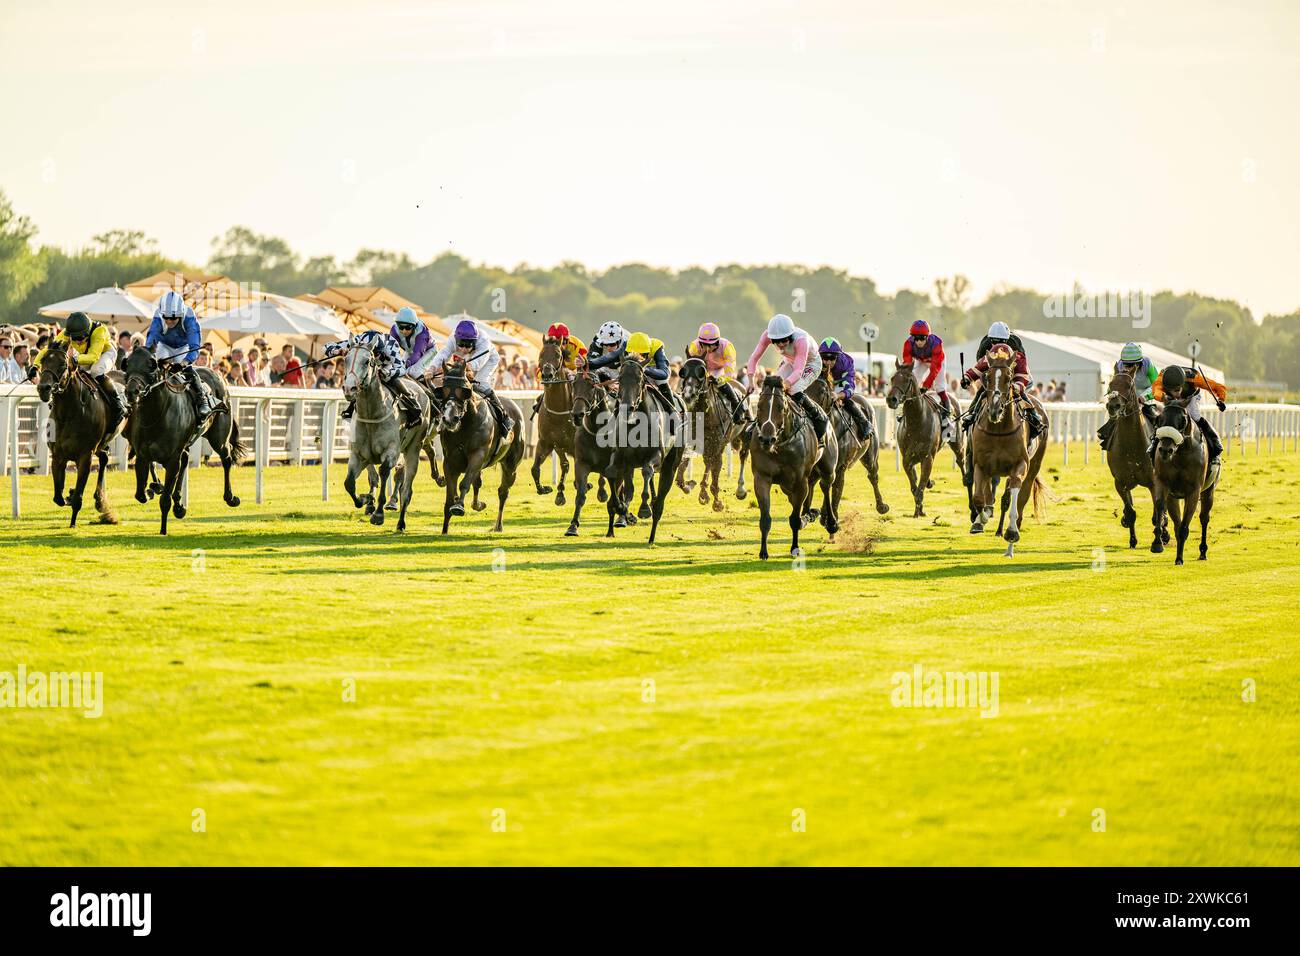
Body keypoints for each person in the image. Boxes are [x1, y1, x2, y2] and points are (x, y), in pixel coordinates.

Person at [29, 310, 129, 433]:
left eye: (81, 337)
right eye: (74, 338)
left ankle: (117, 404)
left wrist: (74, 359)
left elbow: (94, 357)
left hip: (105, 353)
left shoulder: (99, 331)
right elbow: (48, 350)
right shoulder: (67, 333)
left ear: (87, 332)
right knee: (73, 374)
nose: (78, 341)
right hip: (83, 355)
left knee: (96, 371)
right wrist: (35, 366)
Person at [744, 313, 829, 445]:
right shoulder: (766, 335)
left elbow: (798, 371)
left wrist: (784, 384)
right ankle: (758, 422)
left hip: (811, 364)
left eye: (784, 340)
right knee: (771, 390)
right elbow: (754, 358)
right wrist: (750, 381)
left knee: (794, 389)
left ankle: (818, 418)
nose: (781, 345)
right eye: (777, 342)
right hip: (790, 361)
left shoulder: (801, 340)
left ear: (791, 336)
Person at [424, 318, 514, 436]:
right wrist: (432, 368)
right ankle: (444, 415)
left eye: (468, 345)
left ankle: (504, 417)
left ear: (475, 341)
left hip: (487, 360)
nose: (464, 349)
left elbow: (477, 364)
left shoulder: (483, 341)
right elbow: (444, 354)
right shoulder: (453, 338)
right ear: (456, 339)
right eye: (461, 345)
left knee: (480, 384)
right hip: (464, 362)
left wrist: (463, 368)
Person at [322, 328, 423, 426]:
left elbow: (401, 369)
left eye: (376, 354)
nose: (374, 357)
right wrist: (337, 351)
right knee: (359, 378)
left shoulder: (390, 344)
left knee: (393, 380)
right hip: (365, 365)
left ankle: (414, 406)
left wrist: (388, 372)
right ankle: (351, 408)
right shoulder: (358, 341)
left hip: (387, 365)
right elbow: (326, 347)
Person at [959, 321, 1044, 436]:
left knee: (1021, 394)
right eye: (995, 342)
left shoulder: (1017, 353)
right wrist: (967, 378)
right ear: (990, 341)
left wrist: (1017, 386)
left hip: (1018, 377)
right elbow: (979, 367)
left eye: (1002, 342)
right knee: (982, 392)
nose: (999, 346)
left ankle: (1034, 418)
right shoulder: (987, 349)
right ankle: (972, 414)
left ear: (1007, 340)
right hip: (997, 377)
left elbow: (1022, 374)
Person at [141, 291, 216, 420]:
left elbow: (194, 347)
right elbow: (151, 342)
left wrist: (184, 363)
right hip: (164, 345)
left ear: (180, 315)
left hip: (183, 347)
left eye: (173, 318)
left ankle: (202, 399)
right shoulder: (158, 317)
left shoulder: (189, 317)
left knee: (187, 370)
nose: (169, 321)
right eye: (166, 317)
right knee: (154, 363)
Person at [1152, 363, 1226, 464]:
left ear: (1182, 384)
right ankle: (1153, 444)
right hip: (1169, 400)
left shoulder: (1193, 377)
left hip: (1191, 396)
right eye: (1171, 391)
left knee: (1194, 416)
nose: (1175, 394)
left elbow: (1217, 386)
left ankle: (1215, 443)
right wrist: (1164, 397)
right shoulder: (1162, 377)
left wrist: (1221, 399)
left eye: (1177, 390)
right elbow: (1155, 390)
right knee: (1167, 418)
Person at [900, 319, 956, 443]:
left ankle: (947, 417)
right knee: (912, 380)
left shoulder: (936, 344)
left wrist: (926, 386)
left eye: (922, 338)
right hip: (921, 360)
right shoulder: (908, 344)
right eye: (916, 338)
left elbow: (934, 369)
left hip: (937, 361)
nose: (919, 342)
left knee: (940, 387)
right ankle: (904, 412)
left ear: (927, 337)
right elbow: (907, 364)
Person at [1097, 342, 1160, 449]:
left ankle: (1159, 445)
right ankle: (1108, 441)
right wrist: (1112, 394)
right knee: (1114, 418)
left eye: (1132, 365)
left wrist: (1144, 397)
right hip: (1127, 398)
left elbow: (1157, 386)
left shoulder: (1147, 364)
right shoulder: (1120, 366)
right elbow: (1113, 386)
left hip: (1146, 397)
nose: (1129, 368)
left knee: (1156, 419)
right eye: (1127, 364)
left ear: (1139, 362)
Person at [686, 321, 745, 423]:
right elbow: (691, 366)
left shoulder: (727, 347)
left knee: (722, 384)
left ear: (717, 342)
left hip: (720, 370)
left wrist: (719, 379)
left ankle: (737, 408)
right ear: (699, 342)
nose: (707, 349)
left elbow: (729, 372)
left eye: (710, 345)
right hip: (703, 370)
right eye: (704, 345)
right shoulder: (694, 346)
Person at [817, 337, 872, 440]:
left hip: (840, 381)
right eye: (825, 358)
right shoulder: (816, 362)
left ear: (838, 356)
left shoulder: (846, 363)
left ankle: (864, 423)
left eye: (832, 358)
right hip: (823, 381)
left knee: (845, 398)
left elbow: (850, 388)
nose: (828, 362)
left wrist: (838, 395)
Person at [531, 323, 587, 418]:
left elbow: (586, 363)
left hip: (575, 369)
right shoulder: (548, 349)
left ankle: (581, 406)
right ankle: (543, 400)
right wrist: (544, 377)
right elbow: (540, 370)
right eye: (555, 341)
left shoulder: (577, 345)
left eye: (563, 341)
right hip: (558, 371)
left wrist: (576, 370)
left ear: (567, 339)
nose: (561, 344)